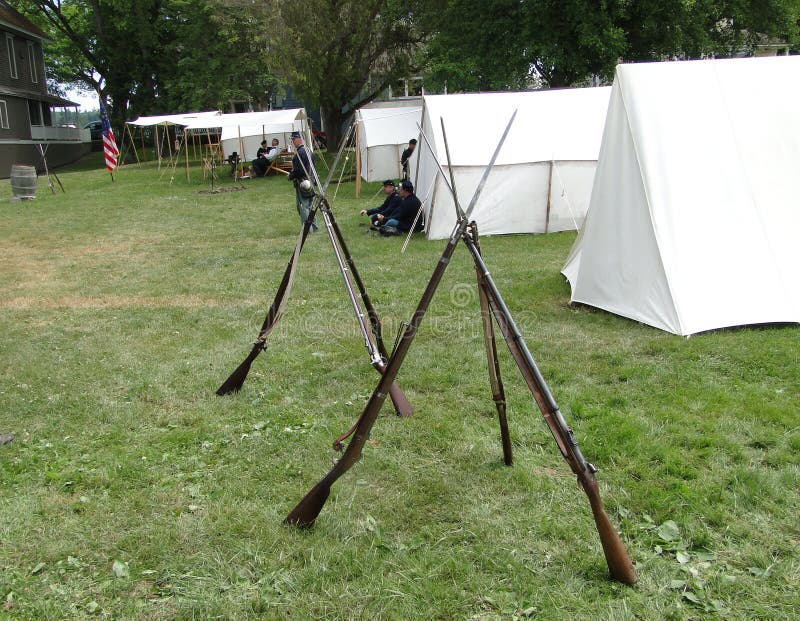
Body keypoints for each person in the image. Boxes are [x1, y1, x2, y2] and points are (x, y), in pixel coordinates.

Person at [287, 131, 317, 231]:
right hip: (311, 180)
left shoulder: (299, 154)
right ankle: (314, 227)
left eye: (294, 139)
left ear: (300, 139)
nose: (293, 141)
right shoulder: (309, 151)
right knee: (309, 206)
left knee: (303, 206)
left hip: (302, 182)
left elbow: (298, 171)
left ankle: (307, 229)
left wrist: (290, 175)